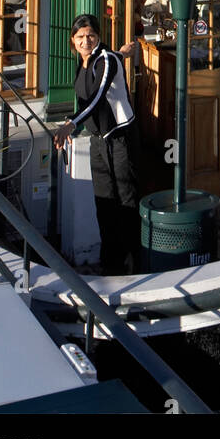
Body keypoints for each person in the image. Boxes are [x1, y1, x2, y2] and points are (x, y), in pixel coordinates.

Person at [53, 14, 139, 274]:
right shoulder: (84, 64)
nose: (85, 41)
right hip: (98, 141)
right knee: (103, 202)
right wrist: (124, 52)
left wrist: (70, 124)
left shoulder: (107, 59)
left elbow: (97, 98)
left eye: (90, 35)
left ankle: (133, 264)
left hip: (121, 138)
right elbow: (84, 100)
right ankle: (110, 263)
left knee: (126, 201)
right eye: (80, 37)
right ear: (72, 41)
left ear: (98, 36)